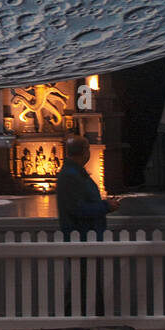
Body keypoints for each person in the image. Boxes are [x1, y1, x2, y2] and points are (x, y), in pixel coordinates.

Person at [56, 135, 121, 316]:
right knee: (82, 283)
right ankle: (73, 322)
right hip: (82, 236)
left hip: (87, 236)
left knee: (86, 282)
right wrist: (105, 206)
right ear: (85, 153)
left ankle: (89, 320)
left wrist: (103, 205)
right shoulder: (71, 176)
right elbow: (77, 208)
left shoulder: (75, 173)